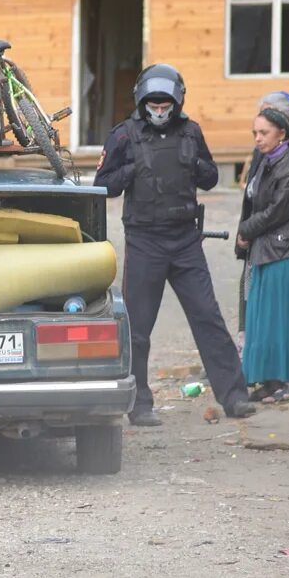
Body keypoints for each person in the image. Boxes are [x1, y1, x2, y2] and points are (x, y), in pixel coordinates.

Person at [94, 64, 255, 427]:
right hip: (145, 241)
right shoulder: (124, 136)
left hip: (185, 241)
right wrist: (131, 171)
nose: (160, 109)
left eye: (166, 103)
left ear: (178, 102)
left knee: (208, 318)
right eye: (154, 103)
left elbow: (212, 177)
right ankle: (139, 405)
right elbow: (103, 184)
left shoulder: (191, 132)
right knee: (137, 328)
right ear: (142, 101)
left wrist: (193, 164)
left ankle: (235, 397)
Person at [237, 108, 289, 401]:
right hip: (266, 248)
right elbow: (255, 202)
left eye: (264, 133)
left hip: (285, 251)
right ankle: (271, 380)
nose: (258, 139)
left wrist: (246, 229)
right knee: (265, 319)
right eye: (255, 133)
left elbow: (277, 211)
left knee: (286, 319)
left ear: (282, 133)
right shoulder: (265, 161)